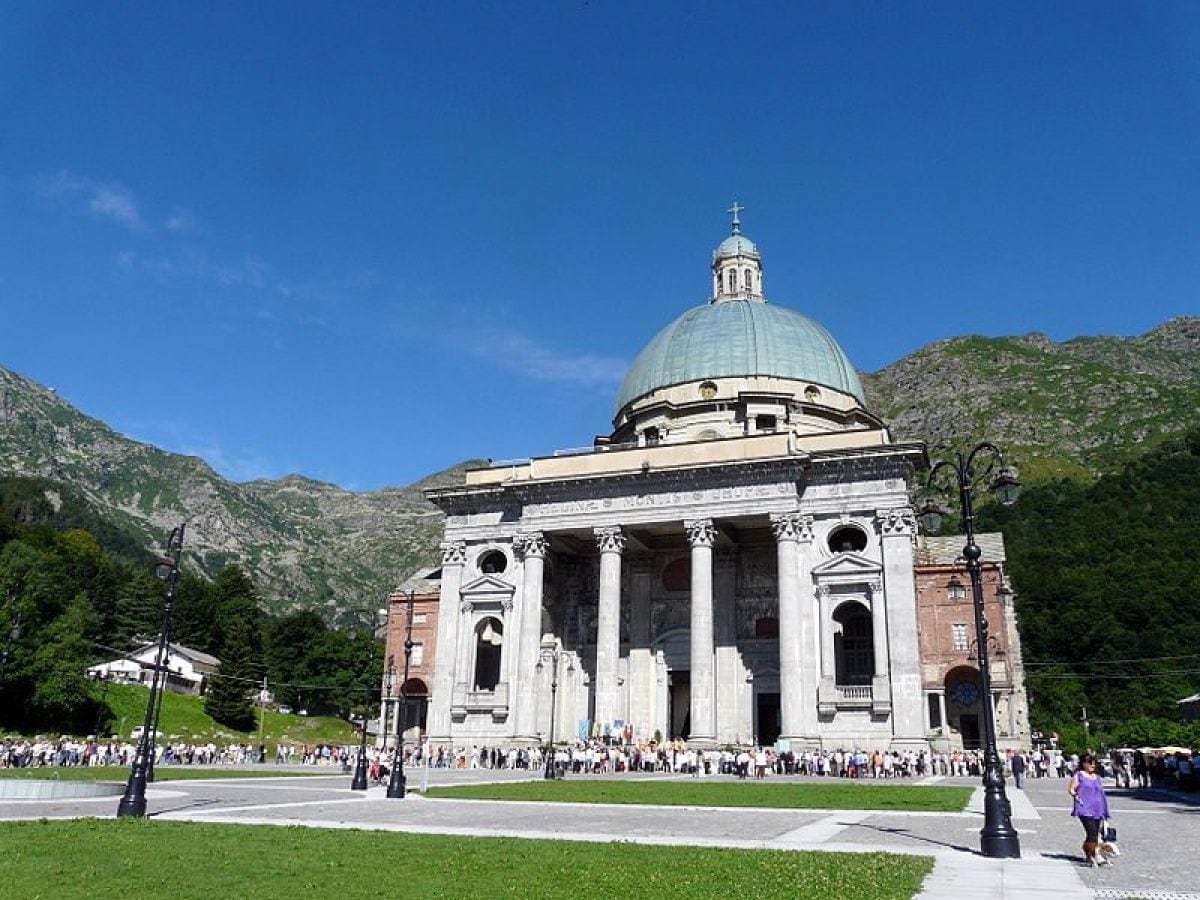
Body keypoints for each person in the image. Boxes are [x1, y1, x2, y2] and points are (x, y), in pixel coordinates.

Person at [1069, 754, 1112, 867]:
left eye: (1093, 763)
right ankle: (1094, 854)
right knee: (1092, 832)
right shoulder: (1079, 775)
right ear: (1084, 764)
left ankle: (1089, 853)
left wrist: (1104, 809)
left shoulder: (1096, 777)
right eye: (1090, 763)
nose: (1092, 765)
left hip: (1097, 808)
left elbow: (1100, 793)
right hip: (1085, 808)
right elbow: (1071, 789)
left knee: (1095, 833)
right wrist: (1076, 796)